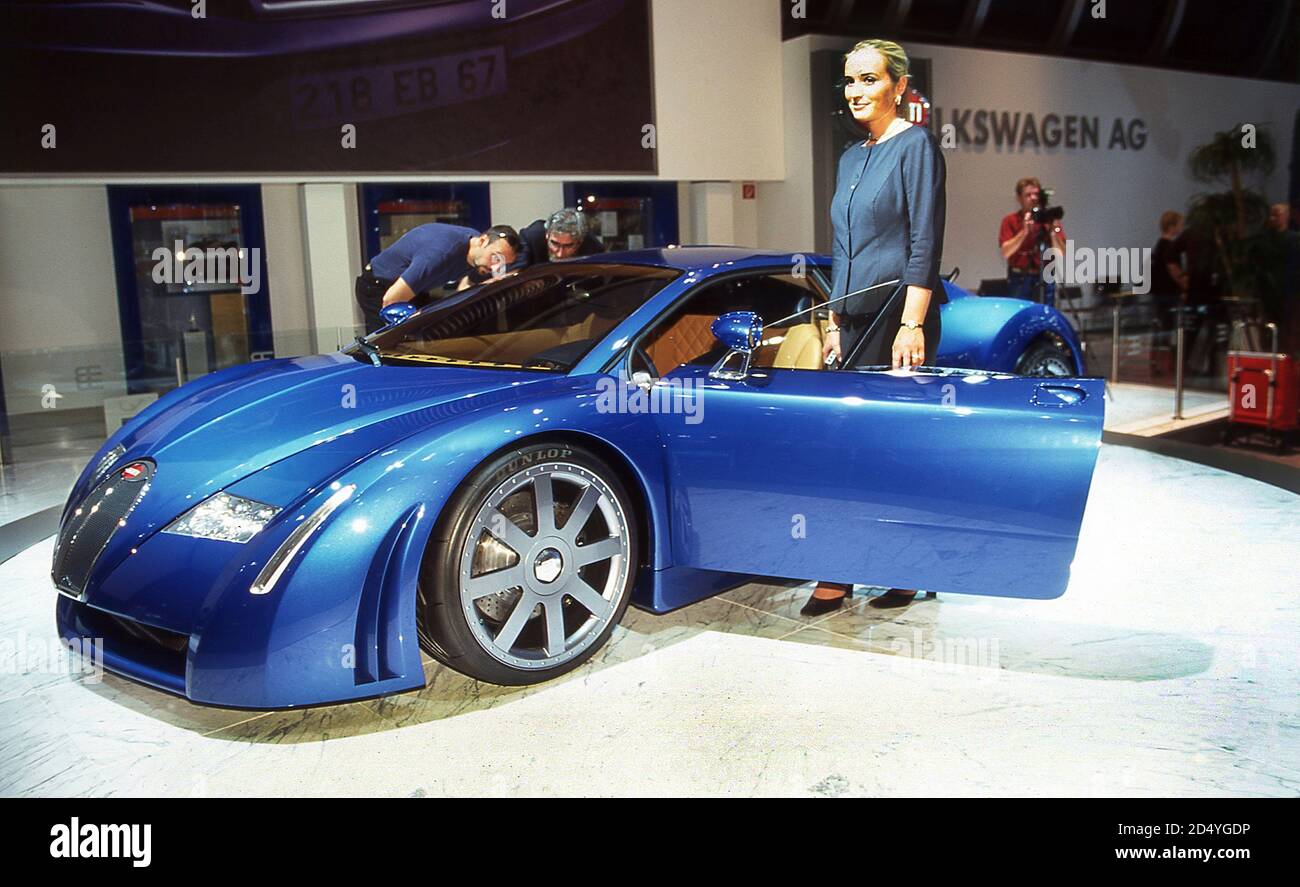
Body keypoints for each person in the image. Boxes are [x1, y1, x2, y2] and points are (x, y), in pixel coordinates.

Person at [803, 37, 946, 616]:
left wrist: (911, 325)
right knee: (847, 453)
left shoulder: (917, 147)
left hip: (900, 322)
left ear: (899, 87)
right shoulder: (849, 156)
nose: (856, 91)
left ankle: (906, 566)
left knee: (893, 454)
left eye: (869, 79)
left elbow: (924, 243)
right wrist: (834, 319)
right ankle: (841, 568)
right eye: (850, 80)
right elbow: (841, 245)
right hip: (854, 322)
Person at [354, 223, 520, 333]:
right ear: (483, 240)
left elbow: (465, 288)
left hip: (417, 289)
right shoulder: (440, 253)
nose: (495, 268)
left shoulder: (477, 254)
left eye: (503, 263)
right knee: (390, 343)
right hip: (380, 287)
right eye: (496, 258)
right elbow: (391, 299)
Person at [998, 177, 1066, 306]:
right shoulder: (1010, 220)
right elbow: (1006, 252)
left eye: (1036, 194)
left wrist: (1052, 231)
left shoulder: (1048, 220)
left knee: (1046, 315)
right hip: (1020, 278)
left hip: (1046, 276)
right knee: (1020, 313)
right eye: (1028, 195)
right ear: (1019, 198)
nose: (1033, 198)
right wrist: (1024, 232)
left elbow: (1061, 253)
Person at [511, 208, 605, 271]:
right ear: (547, 234)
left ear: (579, 242)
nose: (560, 254)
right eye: (554, 243)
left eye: (568, 246)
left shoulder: (593, 247)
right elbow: (516, 270)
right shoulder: (531, 237)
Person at [1150, 210, 1188, 332]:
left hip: (1159, 292)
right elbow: (1173, 269)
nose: (1182, 227)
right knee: (1170, 326)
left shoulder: (1159, 245)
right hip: (1169, 292)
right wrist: (1186, 285)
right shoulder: (1170, 247)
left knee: (1162, 326)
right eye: (1180, 224)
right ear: (1172, 226)